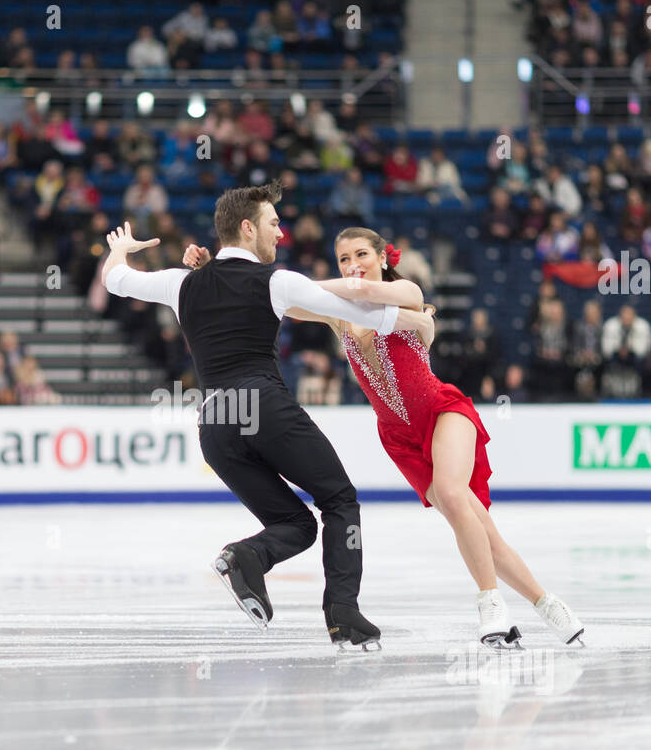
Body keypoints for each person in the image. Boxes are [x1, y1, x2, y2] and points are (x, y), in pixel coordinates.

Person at [188, 228, 585, 649]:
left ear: (382, 258)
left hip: (442, 412)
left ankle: (491, 604)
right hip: (398, 436)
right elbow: (276, 300)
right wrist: (217, 271)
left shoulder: (408, 292)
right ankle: (547, 604)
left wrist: (294, 285)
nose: (352, 264)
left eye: (361, 254)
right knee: (479, 526)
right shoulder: (337, 314)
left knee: (452, 494)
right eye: (343, 258)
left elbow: (328, 290)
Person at [103, 183, 430, 650]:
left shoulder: (181, 282)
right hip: (263, 404)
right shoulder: (276, 281)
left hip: (214, 421)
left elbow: (116, 281)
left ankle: (245, 556)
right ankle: (344, 614)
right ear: (248, 227)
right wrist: (416, 317)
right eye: (274, 223)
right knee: (339, 500)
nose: (281, 232)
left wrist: (119, 250)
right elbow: (360, 311)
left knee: (296, 525)